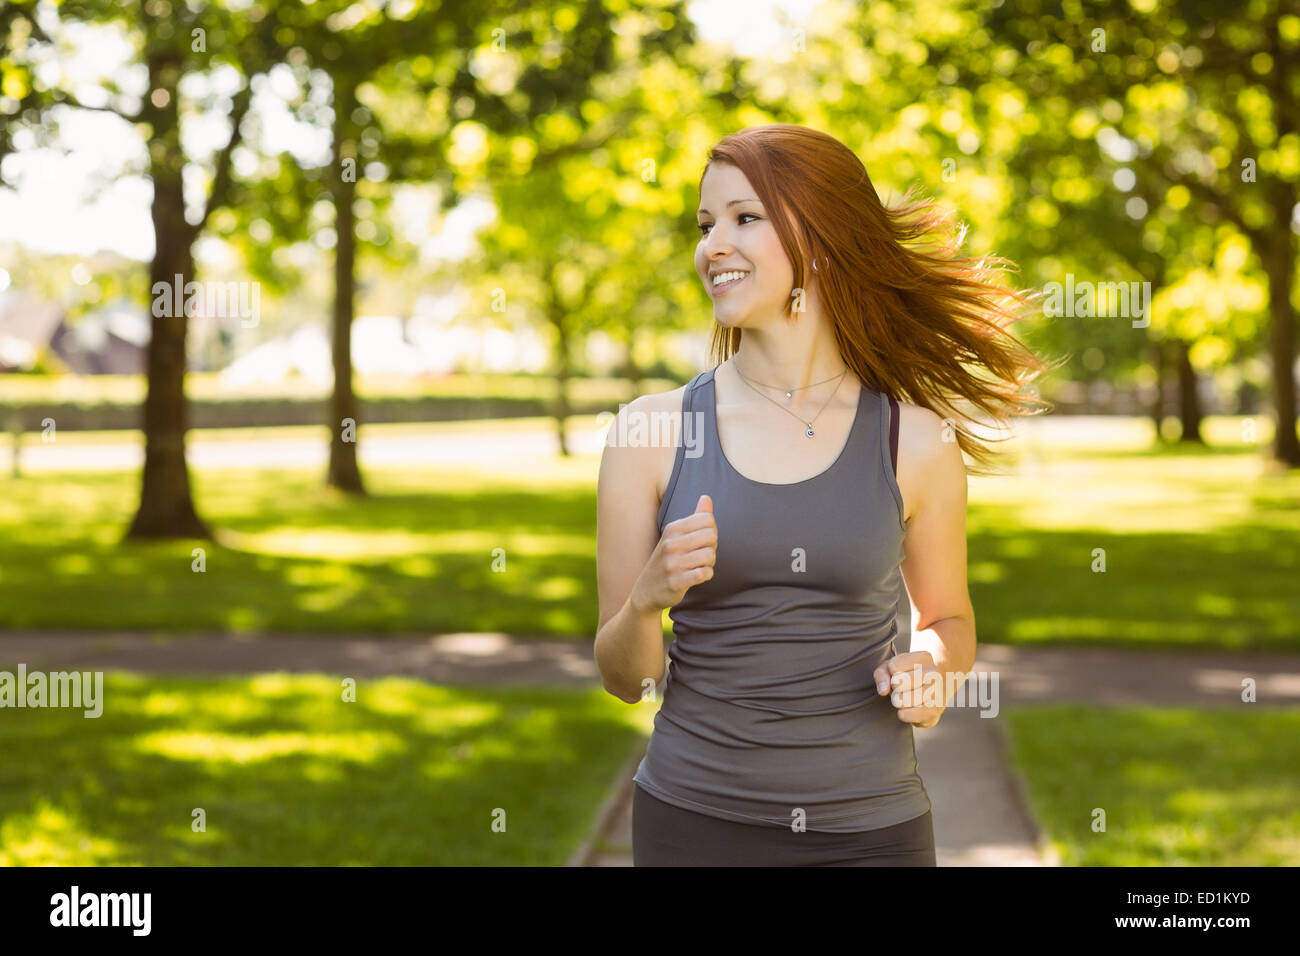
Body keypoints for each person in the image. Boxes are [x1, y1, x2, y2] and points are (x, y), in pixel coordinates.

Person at [594, 124, 1057, 866]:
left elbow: (949, 620)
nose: (713, 245)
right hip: (693, 823)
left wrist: (933, 668)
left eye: (746, 218)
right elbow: (628, 680)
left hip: (872, 831)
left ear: (820, 238)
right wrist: (647, 599)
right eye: (706, 224)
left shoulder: (916, 443)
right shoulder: (649, 432)